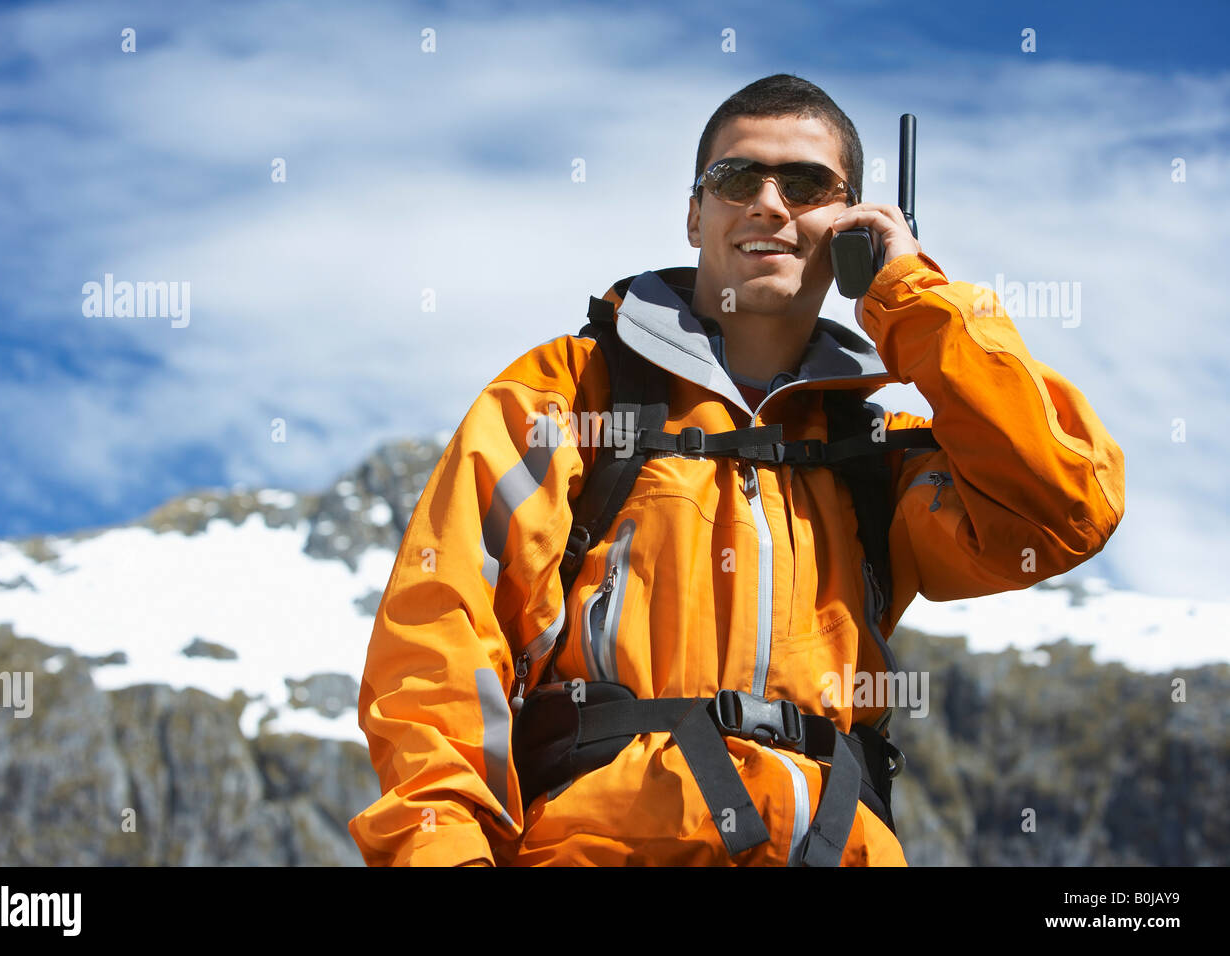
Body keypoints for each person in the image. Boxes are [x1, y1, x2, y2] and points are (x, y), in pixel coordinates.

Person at [347, 74, 1125, 866]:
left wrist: (913, 297)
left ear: (851, 224)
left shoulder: (878, 449)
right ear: (694, 214)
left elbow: (1063, 508)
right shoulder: (566, 392)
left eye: (807, 183)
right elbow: (437, 649)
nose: (769, 204)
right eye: (735, 178)